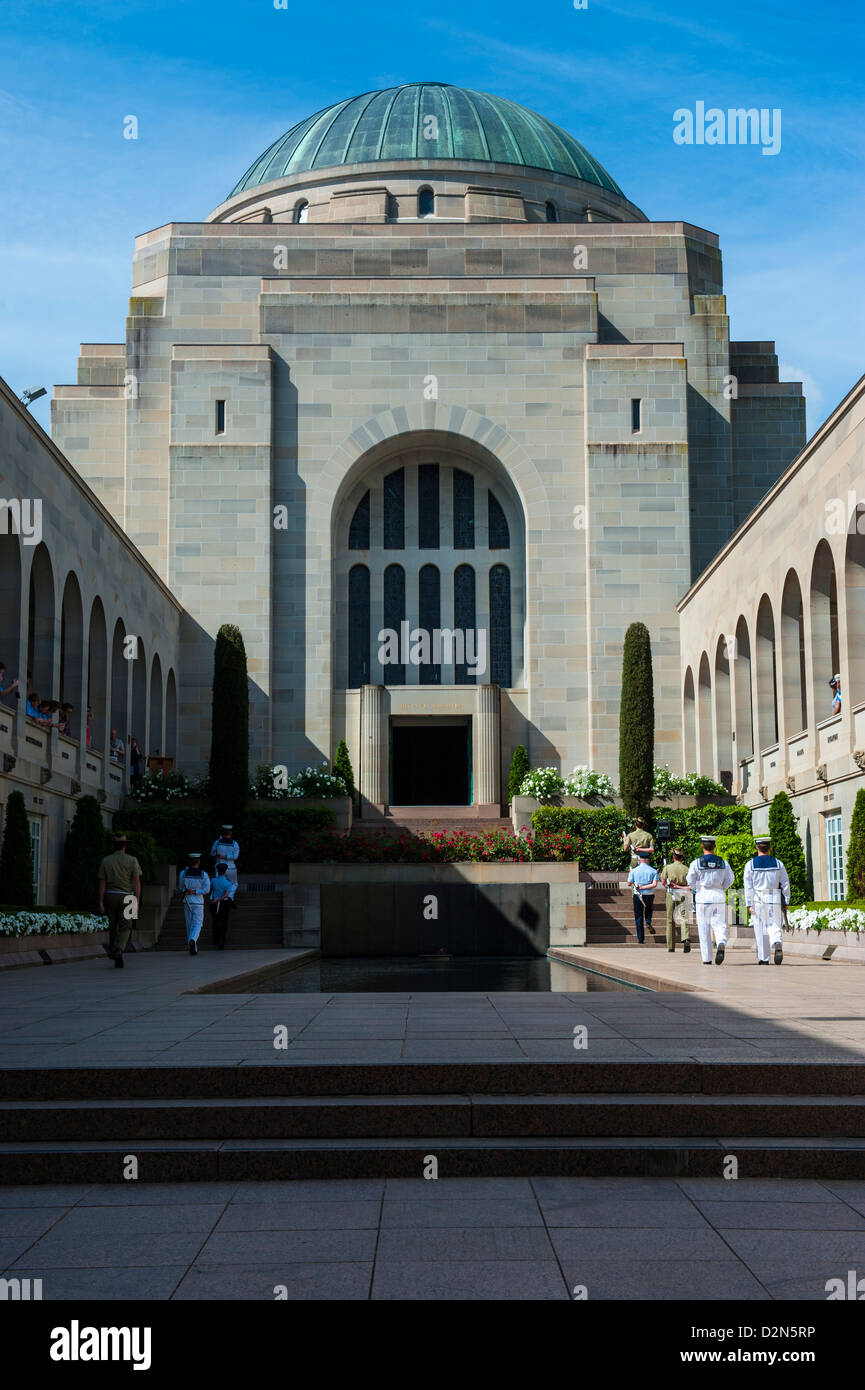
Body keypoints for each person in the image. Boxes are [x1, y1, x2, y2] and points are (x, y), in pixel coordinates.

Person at [687, 833, 735, 965]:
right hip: (718, 896)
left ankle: (707, 958)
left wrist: (698, 888)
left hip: (703, 897)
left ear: (702, 846)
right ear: (714, 846)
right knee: (719, 925)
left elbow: (690, 880)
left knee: (703, 929)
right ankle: (721, 942)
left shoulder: (696, 863)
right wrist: (720, 888)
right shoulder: (723, 862)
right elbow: (730, 879)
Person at [744, 831, 790, 966]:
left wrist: (749, 904)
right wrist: (786, 900)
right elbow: (785, 882)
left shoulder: (750, 864)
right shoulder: (778, 863)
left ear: (757, 847)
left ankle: (764, 958)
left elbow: (748, 886)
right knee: (775, 925)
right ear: (769, 847)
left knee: (761, 929)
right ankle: (777, 942)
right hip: (774, 896)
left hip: (758, 898)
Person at [97, 831, 142, 968]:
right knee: (126, 927)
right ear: (125, 845)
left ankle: (113, 951)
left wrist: (100, 901)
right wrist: (137, 900)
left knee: (112, 926)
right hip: (128, 896)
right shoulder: (132, 860)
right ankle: (120, 949)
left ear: (114, 845)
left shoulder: (105, 860)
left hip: (110, 895)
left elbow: (102, 883)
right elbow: (136, 882)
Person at [659, 845, 692, 953]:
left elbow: (663, 882)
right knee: (684, 917)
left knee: (670, 920)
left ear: (674, 856)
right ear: (681, 857)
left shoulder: (667, 868)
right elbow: (691, 885)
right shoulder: (687, 869)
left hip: (671, 893)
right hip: (683, 893)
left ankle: (671, 945)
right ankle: (686, 938)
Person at [178, 852, 210, 956]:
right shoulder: (204, 874)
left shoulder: (183, 873)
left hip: (187, 901)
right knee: (198, 924)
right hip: (198, 902)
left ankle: (193, 947)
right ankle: (193, 939)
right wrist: (195, 891)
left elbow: (181, 887)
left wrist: (187, 890)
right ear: (199, 862)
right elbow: (206, 889)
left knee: (189, 925)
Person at [626, 845, 659, 944]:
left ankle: (641, 939)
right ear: (648, 860)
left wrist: (639, 886)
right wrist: (644, 887)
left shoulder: (634, 870)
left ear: (639, 859)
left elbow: (628, 883)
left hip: (638, 895)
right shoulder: (653, 871)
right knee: (649, 910)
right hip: (649, 894)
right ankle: (648, 921)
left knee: (638, 915)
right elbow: (654, 884)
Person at [209, 860, 237, 950]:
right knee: (224, 923)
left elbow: (212, 890)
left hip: (214, 903)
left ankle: (215, 939)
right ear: (225, 871)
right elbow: (226, 895)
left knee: (215, 922)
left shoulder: (213, 880)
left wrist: (216, 899)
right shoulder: (228, 883)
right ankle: (221, 940)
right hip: (224, 904)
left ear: (217, 871)